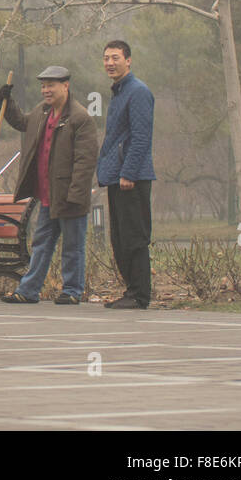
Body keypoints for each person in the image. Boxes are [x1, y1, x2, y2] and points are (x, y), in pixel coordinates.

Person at [0, 66, 98, 305]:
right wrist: (6, 102)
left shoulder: (80, 118)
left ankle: (72, 291)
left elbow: (85, 161)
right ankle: (28, 290)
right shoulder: (42, 113)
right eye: (43, 85)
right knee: (41, 243)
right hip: (46, 195)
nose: (46, 90)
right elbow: (22, 122)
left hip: (70, 196)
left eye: (51, 85)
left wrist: (76, 193)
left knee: (73, 247)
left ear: (66, 85)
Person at [98, 40, 156, 309]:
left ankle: (140, 295)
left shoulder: (138, 92)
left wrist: (129, 172)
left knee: (134, 237)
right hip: (115, 175)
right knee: (119, 238)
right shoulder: (120, 92)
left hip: (131, 178)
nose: (110, 63)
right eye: (107, 58)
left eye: (116, 58)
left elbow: (141, 137)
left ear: (129, 60)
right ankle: (131, 291)